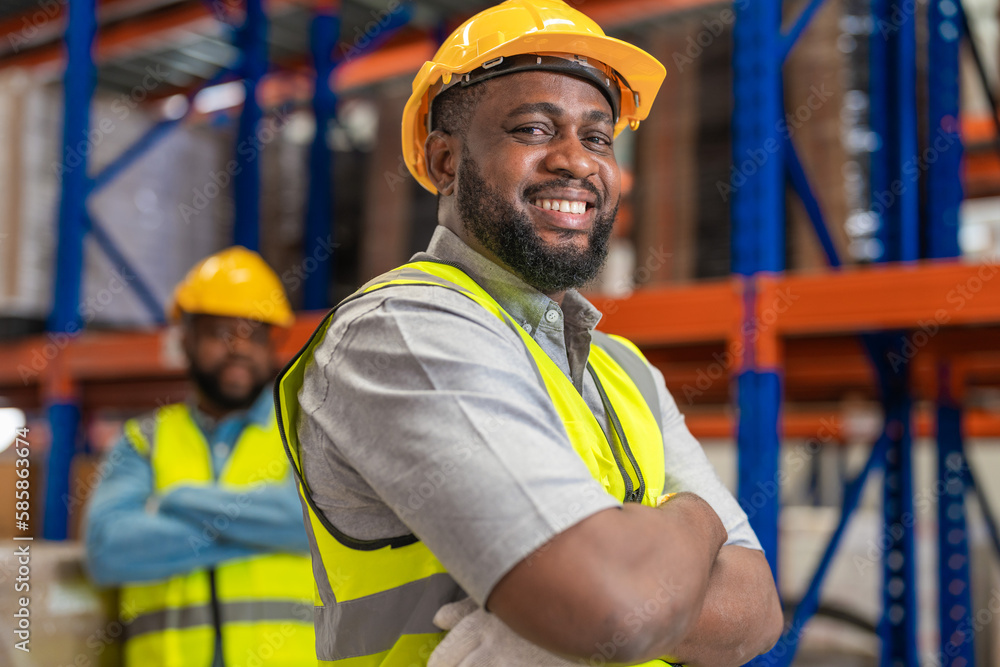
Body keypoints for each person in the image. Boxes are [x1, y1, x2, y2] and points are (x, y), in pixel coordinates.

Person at [276, 1, 784, 665]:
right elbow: (618, 609)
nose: (576, 161)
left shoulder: (625, 370)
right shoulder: (398, 334)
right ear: (444, 160)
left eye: (598, 137)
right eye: (535, 128)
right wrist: (698, 518)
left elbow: (757, 614)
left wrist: (632, 577)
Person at [84, 247, 315, 667]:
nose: (239, 348)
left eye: (254, 333)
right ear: (186, 339)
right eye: (221, 333)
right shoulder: (145, 440)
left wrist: (177, 499)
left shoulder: (302, 431)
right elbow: (108, 550)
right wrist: (264, 533)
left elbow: (314, 525)